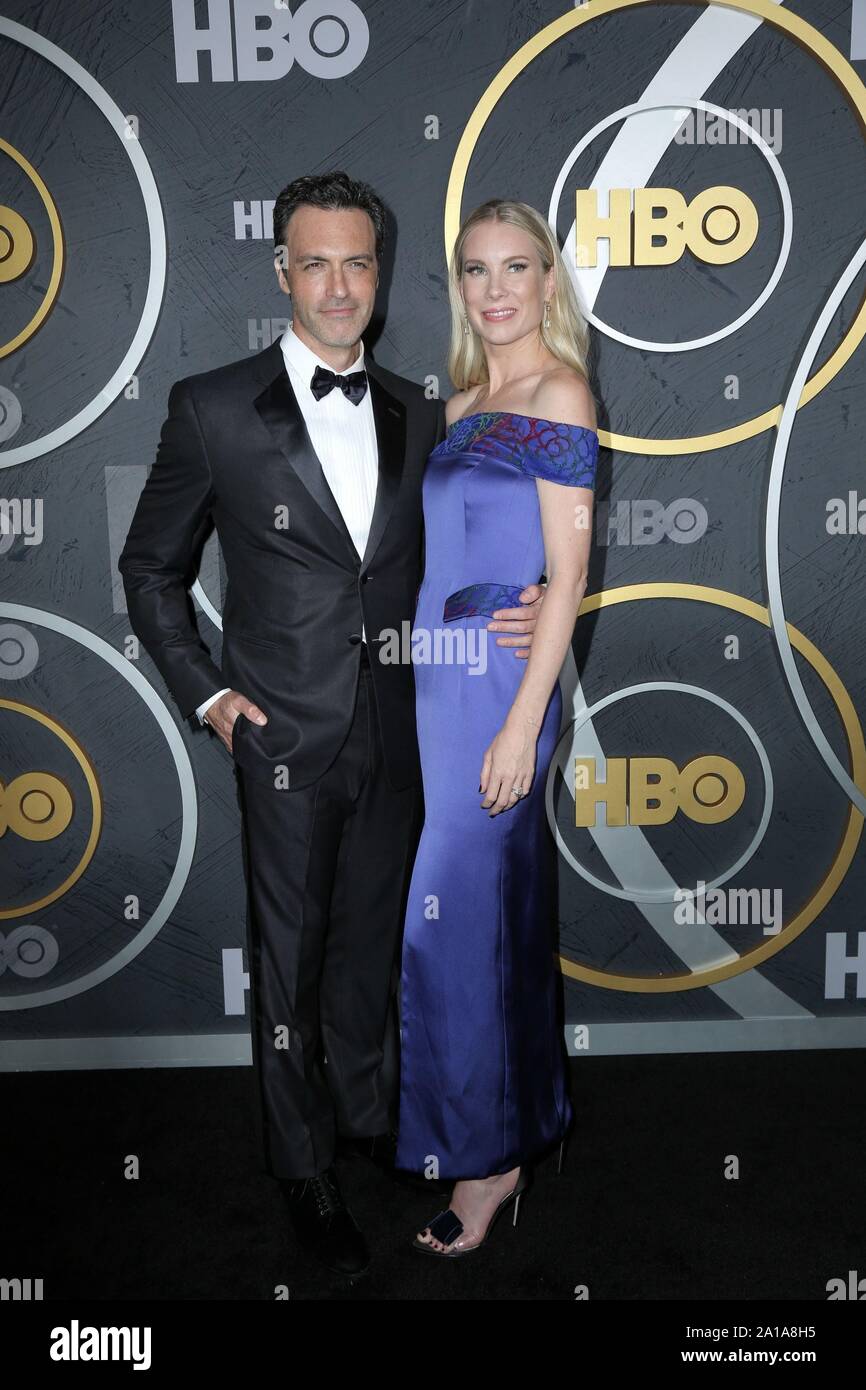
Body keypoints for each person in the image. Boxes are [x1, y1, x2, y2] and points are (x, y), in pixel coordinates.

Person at [117, 171, 546, 1278]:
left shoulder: (422, 405)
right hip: (280, 737)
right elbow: (151, 569)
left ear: (380, 271)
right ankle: (302, 1164)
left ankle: (371, 1125)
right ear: (281, 272)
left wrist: (527, 598)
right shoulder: (211, 407)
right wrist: (209, 694)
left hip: (411, 729)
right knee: (290, 966)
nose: (339, 283)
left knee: (372, 954)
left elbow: (471, 540)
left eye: (358, 261)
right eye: (316, 261)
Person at [395, 198, 598, 1256]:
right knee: (475, 917)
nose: (495, 288)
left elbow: (563, 578)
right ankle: (498, 1128)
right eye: (475, 270)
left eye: (516, 267)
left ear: (546, 282)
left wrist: (523, 725)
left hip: (502, 688)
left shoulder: (561, 392)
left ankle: (489, 1157)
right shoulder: (461, 400)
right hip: (436, 674)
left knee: (458, 920)